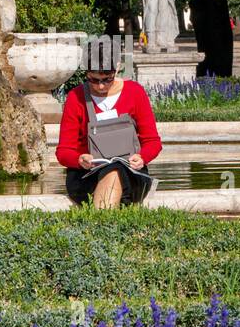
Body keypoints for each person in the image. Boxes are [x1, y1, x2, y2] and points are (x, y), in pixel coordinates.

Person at [55, 40, 162, 208]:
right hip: (86, 176)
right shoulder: (76, 97)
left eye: (107, 79)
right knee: (112, 170)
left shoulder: (135, 92)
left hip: (132, 174)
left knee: (115, 169)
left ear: (117, 67)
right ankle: (105, 224)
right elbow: (63, 151)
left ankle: (100, 223)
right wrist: (79, 159)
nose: (100, 86)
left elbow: (153, 142)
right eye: (93, 80)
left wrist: (142, 158)